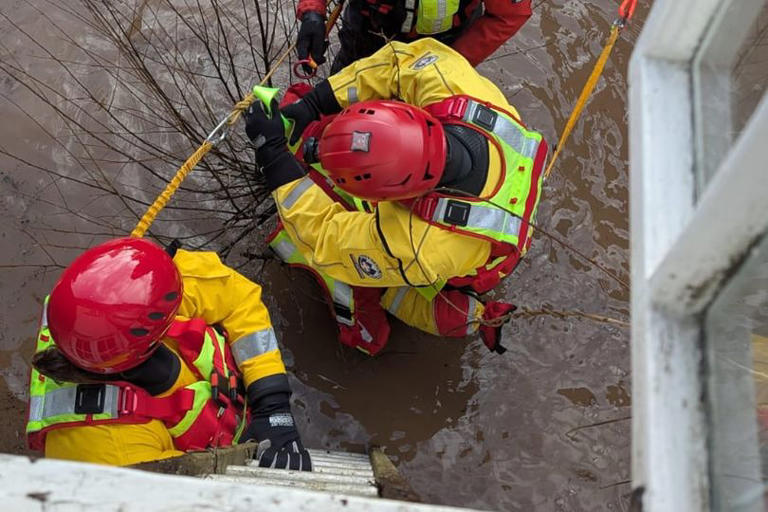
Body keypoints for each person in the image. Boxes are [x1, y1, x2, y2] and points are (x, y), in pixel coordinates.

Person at [245, 38, 548, 356]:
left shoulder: (420, 245)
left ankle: (472, 316)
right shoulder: (455, 88)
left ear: (391, 199)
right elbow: (396, 64)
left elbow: (327, 240)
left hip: (475, 259)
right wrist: (315, 104)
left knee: (382, 291)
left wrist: (275, 157)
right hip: (510, 190)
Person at [25, 237, 312, 470]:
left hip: (241, 404)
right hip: (209, 435)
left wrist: (272, 402)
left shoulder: (140, 282)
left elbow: (238, 297)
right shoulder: (108, 454)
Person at [296, 0, 531, 73]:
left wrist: (454, 60)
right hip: (365, 32)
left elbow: (507, 15)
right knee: (331, 107)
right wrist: (312, 13)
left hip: (442, 47)